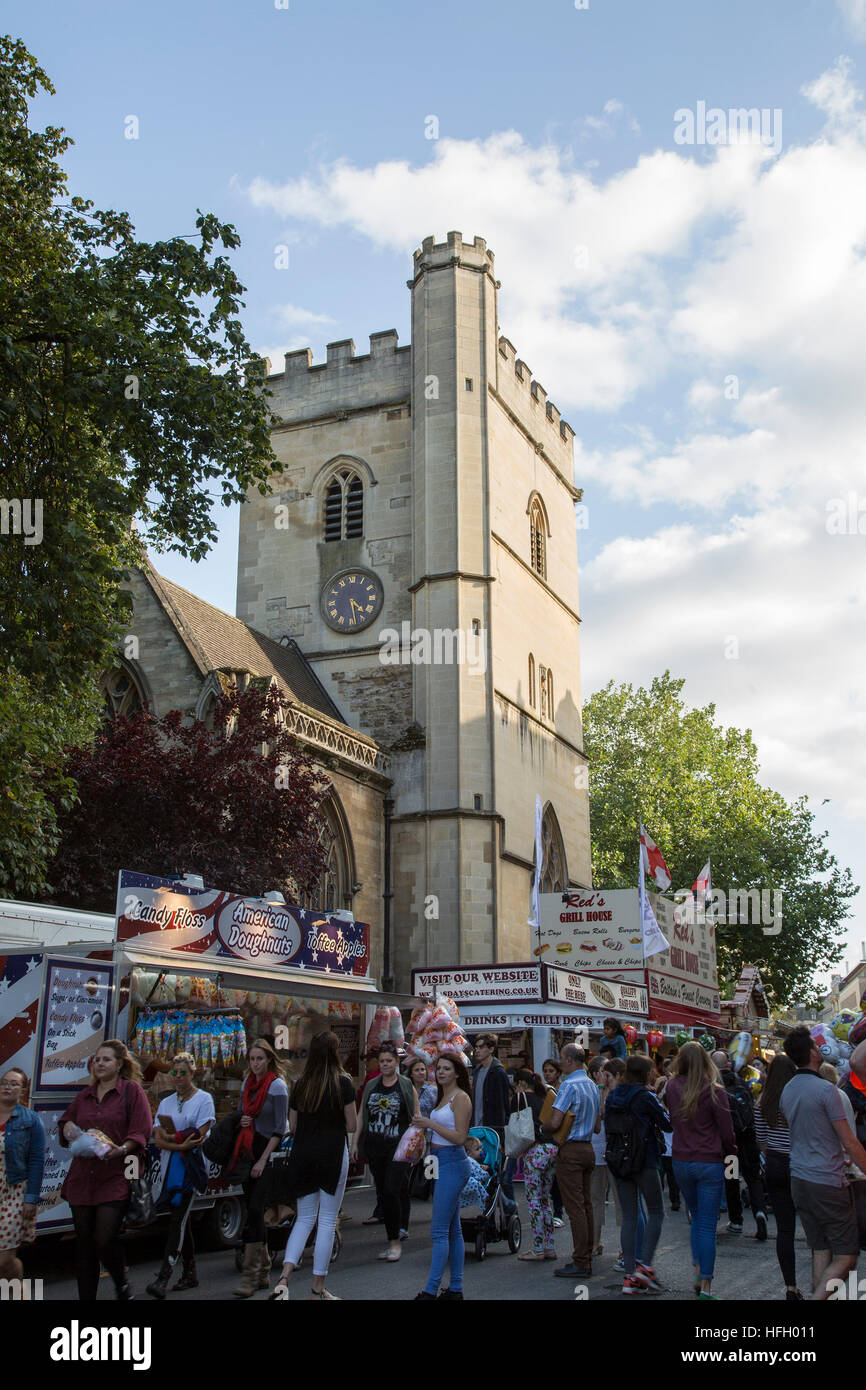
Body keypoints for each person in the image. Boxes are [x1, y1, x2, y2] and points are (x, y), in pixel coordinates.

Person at [59, 1039, 152, 1301]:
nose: (99, 1063)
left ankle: (121, 1282)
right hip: (83, 1176)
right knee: (84, 1244)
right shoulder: (85, 1095)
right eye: (97, 1059)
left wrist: (122, 1149)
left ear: (119, 1064)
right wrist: (66, 1128)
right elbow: (67, 1120)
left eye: (106, 1059)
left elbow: (141, 1130)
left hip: (117, 1173)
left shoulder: (131, 1091)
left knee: (104, 1238)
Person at [780, 1025, 866, 1299]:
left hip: (799, 1179)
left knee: (820, 1249)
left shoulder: (788, 1090)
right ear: (812, 1053)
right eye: (816, 1046)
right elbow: (849, 1141)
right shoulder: (826, 1091)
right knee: (847, 1255)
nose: (820, 1049)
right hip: (827, 1181)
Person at [273, 1030, 357, 1300]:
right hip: (332, 1153)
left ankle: (284, 1277)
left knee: (305, 1218)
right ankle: (318, 1287)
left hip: (303, 1154)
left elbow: (293, 1126)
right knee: (327, 1221)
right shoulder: (343, 1083)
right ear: (334, 1053)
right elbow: (353, 1124)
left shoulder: (300, 1084)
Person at [665, 1041, 737, 1301]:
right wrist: (732, 1154)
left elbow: (671, 1119)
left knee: (696, 1218)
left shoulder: (671, 1087)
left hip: (681, 1159)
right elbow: (727, 1132)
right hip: (709, 1160)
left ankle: (697, 1267)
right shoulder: (715, 1091)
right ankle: (705, 1284)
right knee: (707, 1224)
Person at [145, 1051, 215, 1298]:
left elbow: (198, 1135)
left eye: (183, 1072)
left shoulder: (204, 1100)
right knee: (179, 1220)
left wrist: (178, 1142)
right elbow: (159, 1139)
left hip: (189, 1170)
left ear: (192, 1073)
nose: (178, 1077)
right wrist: (180, 1144)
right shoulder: (166, 1103)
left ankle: (164, 1276)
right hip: (169, 1168)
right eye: (174, 1072)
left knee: (178, 1221)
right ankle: (190, 1272)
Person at [606, 1054, 672, 1293]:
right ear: (646, 1074)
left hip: (619, 1160)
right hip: (644, 1159)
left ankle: (629, 1274)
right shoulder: (646, 1096)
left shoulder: (613, 1095)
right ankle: (644, 1266)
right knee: (656, 1211)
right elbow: (667, 1123)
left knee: (630, 1216)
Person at [413, 1052, 473, 1300]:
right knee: (452, 1230)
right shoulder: (441, 1095)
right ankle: (455, 1288)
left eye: (447, 1069)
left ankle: (430, 1290)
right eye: (438, 1068)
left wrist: (430, 1124)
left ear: (457, 1073)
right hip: (438, 1162)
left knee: (438, 1230)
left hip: (452, 1162)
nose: (440, 1072)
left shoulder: (461, 1098)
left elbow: (460, 1137)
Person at [233, 1038, 289, 1297]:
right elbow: (240, 1114)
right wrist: (243, 1118)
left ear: (268, 1060)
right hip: (248, 1149)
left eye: (260, 1059)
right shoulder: (247, 1085)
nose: (255, 1064)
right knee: (252, 1211)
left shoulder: (277, 1086)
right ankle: (264, 1267)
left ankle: (250, 1273)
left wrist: (263, 1159)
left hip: (269, 1153)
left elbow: (280, 1127)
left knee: (256, 1207)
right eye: (252, 1059)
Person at [355, 1042, 419, 1261]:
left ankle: (395, 1242)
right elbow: (362, 1115)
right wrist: (355, 1143)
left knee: (391, 1189)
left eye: (389, 1061)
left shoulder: (405, 1084)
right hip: (375, 1146)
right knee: (384, 1192)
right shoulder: (372, 1085)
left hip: (398, 1148)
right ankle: (393, 1234)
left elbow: (416, 1115)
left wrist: (416, 1145)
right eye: (382, 1061)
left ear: (397, 1063)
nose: (385, 1065)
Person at [543, 1043, 600, 1280]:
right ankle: (587, 1253)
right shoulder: (593, 1086)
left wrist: (544, 1126)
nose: (561, 1062)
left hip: (571, 1149)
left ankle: (580, 1260)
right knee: (585, 1205)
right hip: (588, 1147)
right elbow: (598, 1125)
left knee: (574, 1207)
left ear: (569, 1060)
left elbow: (555, 1122)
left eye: (562, 1059)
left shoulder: (568, 1085)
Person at [754, 1053, 801, 1299]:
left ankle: (790, 1286)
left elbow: (760, 1141)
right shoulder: (795, 1099)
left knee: (785, 1229)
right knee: (813, 1225)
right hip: (798, 1162)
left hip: (774, 1163)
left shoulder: (763, 1101)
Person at [712, 1049, 768, 1241]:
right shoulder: (742, 1083)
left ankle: (736, 1220)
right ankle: (759, 1211)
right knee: (753, 1178)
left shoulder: (714, 1087)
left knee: (732, 1180)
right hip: (748, 1139)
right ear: (728, 1064)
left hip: (730, 1144)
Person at [502, 1070, 558, 1262]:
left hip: (535, 1151)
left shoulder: (519, 1098)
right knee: (545, 1200)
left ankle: (537, 1248)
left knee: (533, 1200)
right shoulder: (545, 1097)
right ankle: (549, 1247)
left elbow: (513, 1125)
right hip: (552, 1149)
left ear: (520, 1084)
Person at [0, 1068, 45, 1287]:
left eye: (14, 1084)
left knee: (4, 1260)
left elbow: (37, 1160)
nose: (8, 1087)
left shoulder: (31, 1120)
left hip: (13, 1192)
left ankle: (19, 1293)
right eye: (5, 1082)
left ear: (23, 1090)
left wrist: (31, 1198)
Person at [591, 1058, 624, 1256]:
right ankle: (595, 1242)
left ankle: (623, 1246)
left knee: (620, 1199)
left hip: (616, 1152)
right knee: (595, 1198)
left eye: (608, 1071)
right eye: (602, 1070)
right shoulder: (593, 1091)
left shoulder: (617, 1093)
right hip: (596, 1150)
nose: (605, 1074)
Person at [470, 1034, 511, 1148]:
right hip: (477, 1128)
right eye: (476, 1047)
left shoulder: (498, 1072)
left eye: (481, 1047)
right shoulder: (477, 1071)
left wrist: (500, 1132)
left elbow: (503, 1105)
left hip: (492, 1130)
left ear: (491, 1049)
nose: (477, 1050)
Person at [540, 1059, 565, 1225]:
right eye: (545, 1071)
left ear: (558, 1073)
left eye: (551, 1071)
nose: (547, 1074)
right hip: (545, 1136)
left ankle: (558, 1212)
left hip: (559, 1137)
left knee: (556, 1178)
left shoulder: (562, 1089)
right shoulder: (543, 1091)